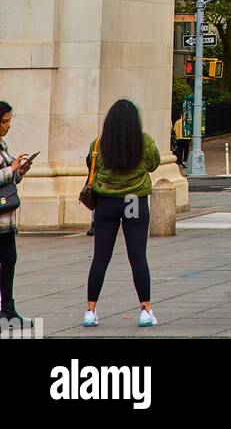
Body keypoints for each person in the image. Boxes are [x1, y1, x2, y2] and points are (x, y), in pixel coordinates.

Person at [83, 98, 161, 328]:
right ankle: (145, 310)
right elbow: (154, 163)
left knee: (100, 257)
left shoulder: (98, 144)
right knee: (137, 256)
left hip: (106, 201)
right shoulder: (144, 141)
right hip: (133, 200)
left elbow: (91, 166)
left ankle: (90, 309)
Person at [0, 101, 35, 327]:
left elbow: (8, 177)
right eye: (5, 121)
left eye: (10, 120)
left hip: (6, 218)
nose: (8, 125)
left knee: (10, 260)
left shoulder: (1, 145)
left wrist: (19, 172)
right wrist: (10, 170)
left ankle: (9, 309)